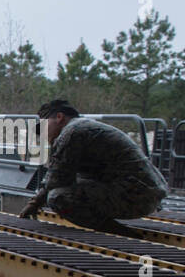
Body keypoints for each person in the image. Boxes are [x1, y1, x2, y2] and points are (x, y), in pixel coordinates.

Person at [19, 99, 167, 234]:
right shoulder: (82, 128)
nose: (43, 133)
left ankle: (121, 234)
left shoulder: (72, 132)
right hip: (144, 193)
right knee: (69, 185)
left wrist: (34, 203)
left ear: (59, 117)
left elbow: (57, 179)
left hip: (138, 196)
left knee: (58, 197)